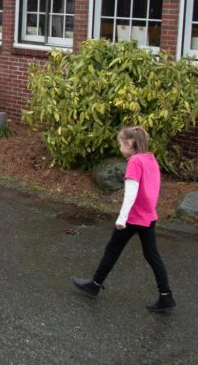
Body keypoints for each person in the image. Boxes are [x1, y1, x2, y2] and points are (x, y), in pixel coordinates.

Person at [71, 126, 175, 312]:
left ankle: (94, 285)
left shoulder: (135, 161)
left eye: (121, 144)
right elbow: (154, 188)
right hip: (148, 216)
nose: (120, 148)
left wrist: (122, 217)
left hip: (133, 218)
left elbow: (131, 192)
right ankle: (166, 295)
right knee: (152, 256)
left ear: (129, 143)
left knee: (113, 249)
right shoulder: (150, 159)